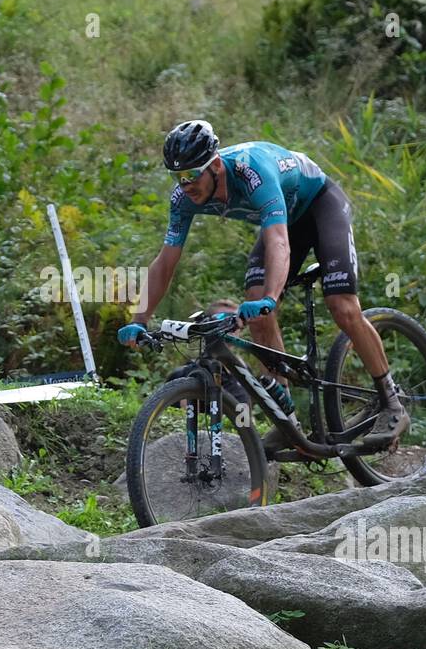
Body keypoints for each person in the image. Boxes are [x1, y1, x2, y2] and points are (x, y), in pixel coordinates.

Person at [119, 120, 409, 449]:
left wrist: (272, 296)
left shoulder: (251, 171)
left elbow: (278, 242)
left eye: (192, 175)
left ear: (215, 166)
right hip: (285, 222)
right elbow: (166, 261)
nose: (186, 184)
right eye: (178, 177)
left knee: (342, 306)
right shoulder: (183, 198)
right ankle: (288, 419)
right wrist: (139, 319)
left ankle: (391, 400)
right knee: (255, 309)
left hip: (319, 207)